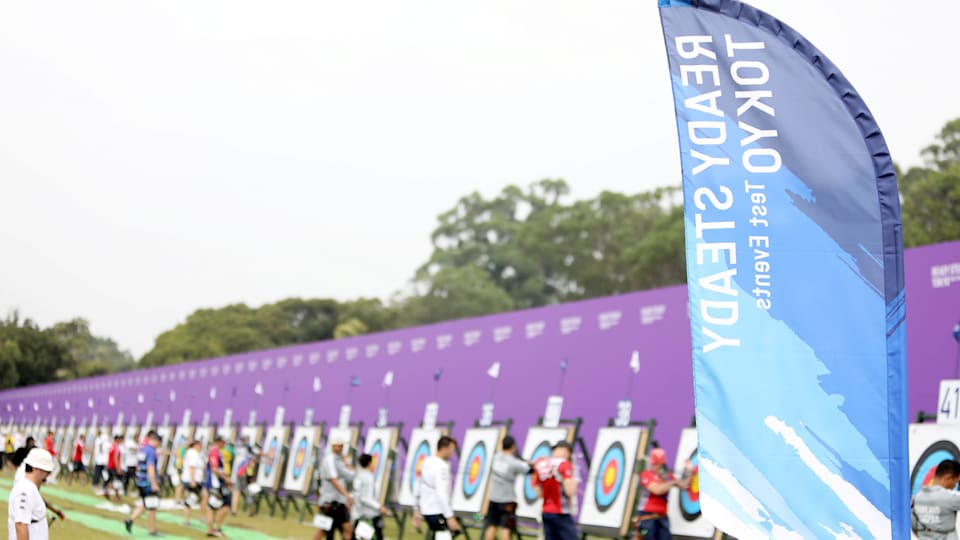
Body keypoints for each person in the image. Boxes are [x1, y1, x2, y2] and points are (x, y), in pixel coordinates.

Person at [635, 447, 690, 540]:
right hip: (647, 518)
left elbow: (684, 485)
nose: (658, 466)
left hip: (662, 518)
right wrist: (672, 482)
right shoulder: (646, 474)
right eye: (656, 464)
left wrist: (689, 471)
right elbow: (657, 490)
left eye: (660, 464)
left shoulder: (667, 476)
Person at [485, 435, 532, 540]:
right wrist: (529, 463)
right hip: (507, 502)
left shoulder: (495, 457)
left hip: (493, 499)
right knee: (506, 528)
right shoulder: (514, 463)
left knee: (492, 526)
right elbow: (529, 470)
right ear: (513, 446)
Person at [413, 436, 460, 537]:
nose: (452, 453)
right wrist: (449, 516)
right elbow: (441, 493)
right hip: (437, 510)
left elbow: (417, 486)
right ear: (444, 448)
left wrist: (416, 509)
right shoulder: (441, 466)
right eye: (451, 449)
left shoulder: (426, 462)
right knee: (444, 535)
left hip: (427, 510)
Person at [531, 440, 579, 540]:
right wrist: (574, 481)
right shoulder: (564, 463)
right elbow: (570, 491)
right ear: (566, 451)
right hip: (560, 512)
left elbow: (538, 493)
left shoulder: (541, 463)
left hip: (546, 511)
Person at [7, 449, 56, 540]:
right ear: (35, 468)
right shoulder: (25, 490)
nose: (47, 476)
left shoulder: (31, 488)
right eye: (46, 471)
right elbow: (20, 525)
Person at [316, 437, 357, 540]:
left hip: (339, 502)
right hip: (330, 502)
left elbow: (352, 475)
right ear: (332, 446)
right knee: (325, 530)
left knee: (346, 529)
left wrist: (347, 463)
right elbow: (334, 480)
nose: (339, 448)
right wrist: (347, 496)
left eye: (341, 446)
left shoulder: (339, 461)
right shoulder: (329, 459)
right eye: (337, 445)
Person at [124, 430, 162, 536]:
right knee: (152, 506)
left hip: (141, 480)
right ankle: (152, 530)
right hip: (147, 482)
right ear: (155, 441)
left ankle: (130, 520)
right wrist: (154, 483)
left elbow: (138, 465)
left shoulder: (143, 449)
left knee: (144, 503)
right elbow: (150, 468)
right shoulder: (151, 451)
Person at [912, 459, 960, 538]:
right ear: (948, 478)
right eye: (956, 482)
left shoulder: (917, 498)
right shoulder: (948, 498)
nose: (955, 486)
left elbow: (913, 525)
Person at [351, 453, 389, 540]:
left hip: (361, 513)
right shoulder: (367, 478)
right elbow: (365, 498)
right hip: (369, 515)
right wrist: (379, 507)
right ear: (369, 463)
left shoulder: (359, 476)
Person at [205, 436, 232, 538]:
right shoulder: (214, 452)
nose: (224, 444)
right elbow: (214, 469)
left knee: (213, 507)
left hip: (215, 483)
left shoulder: (215, 451)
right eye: (223, 442)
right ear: (219, 442)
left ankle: (211, 529)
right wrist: (226, 479)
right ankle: (217, 528)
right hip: (216, 484)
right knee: (225, 505)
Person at [180, 440, 205, 525]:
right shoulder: (192, 453)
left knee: (200, 497)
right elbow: (192, 467)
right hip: (191, 480)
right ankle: (186, 520)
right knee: (191, 499)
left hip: (194, 479)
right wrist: (193, 480)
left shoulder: (195, 453)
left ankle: (200, 517)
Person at [93, 429, 110, 495]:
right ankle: (100, 486)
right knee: (101, 474)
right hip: (102, 460)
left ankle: (101, 486)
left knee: (101, 474)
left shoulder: (99, 440)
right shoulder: (100, 440)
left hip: (101, 460)